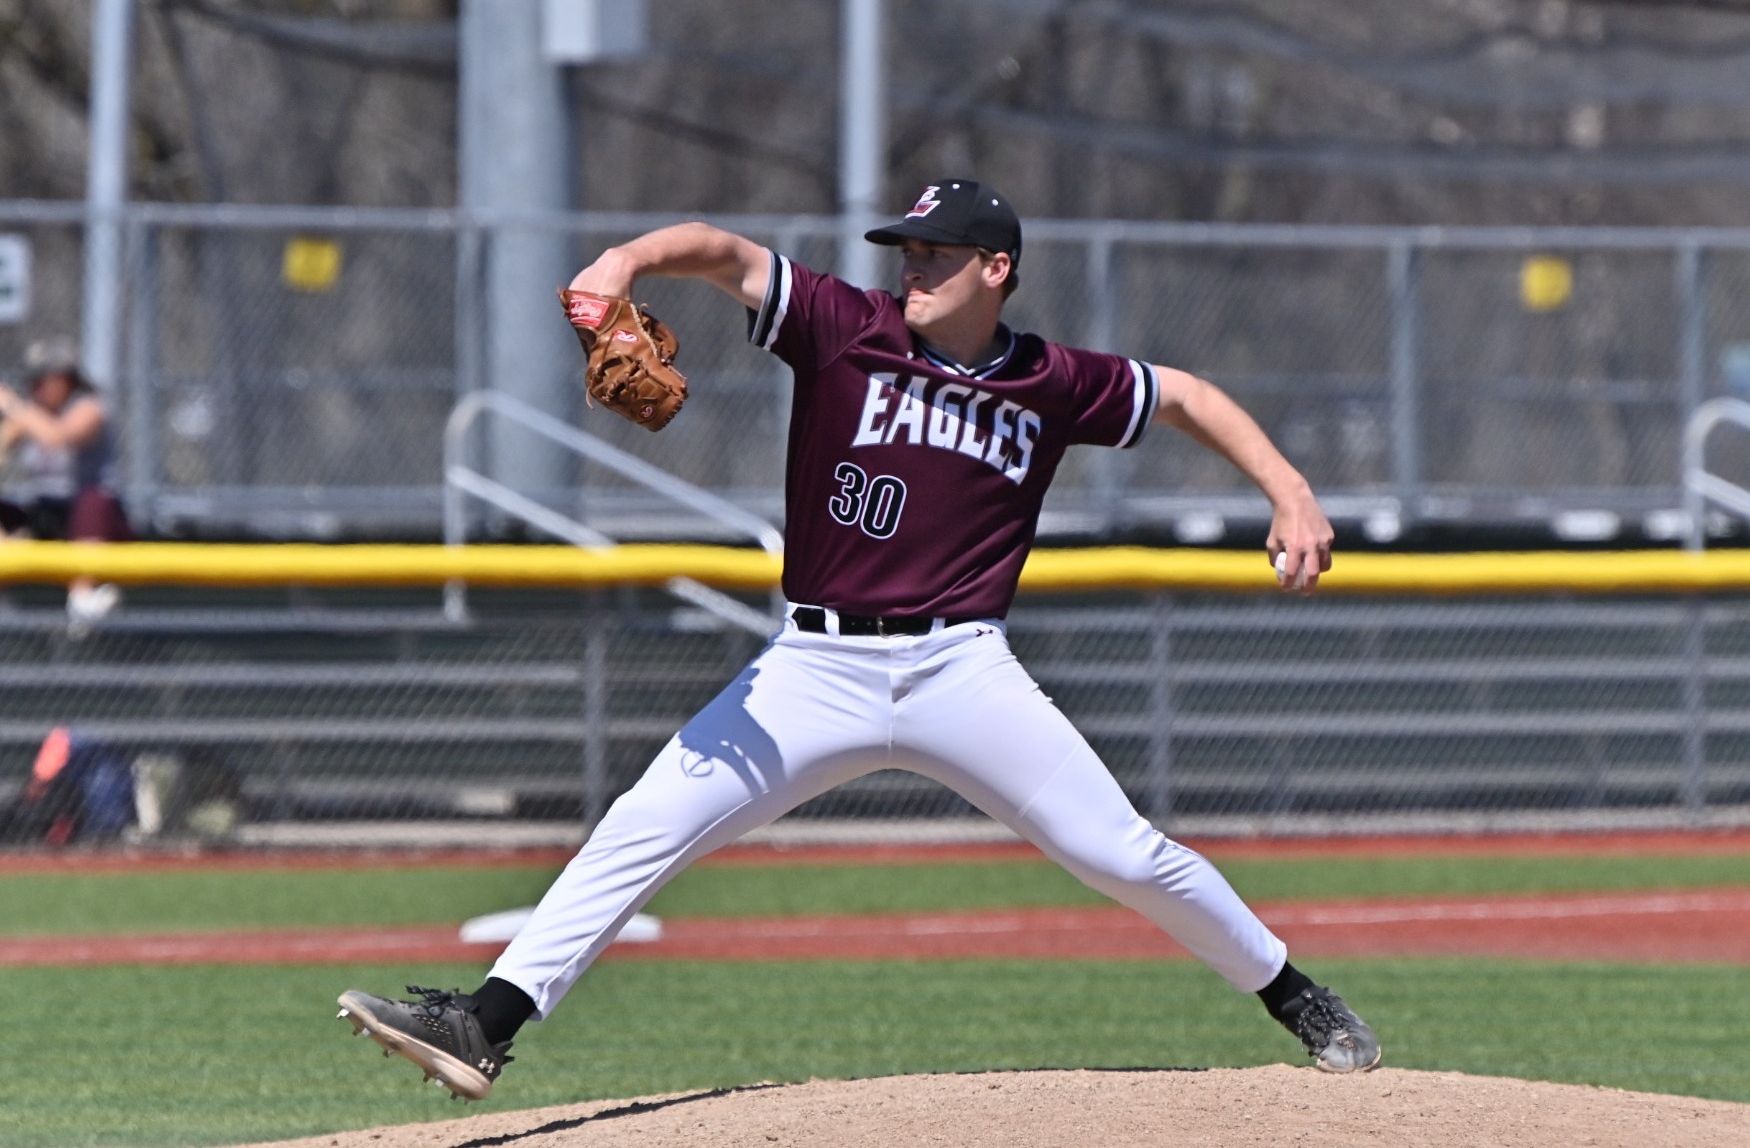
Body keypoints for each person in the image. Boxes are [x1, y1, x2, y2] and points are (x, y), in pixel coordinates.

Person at [336, 179, 1378, 1101]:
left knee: (1123, 853)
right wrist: (625, 262)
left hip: (960, 667)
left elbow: (1186, 393)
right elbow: (725, 252)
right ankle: (484, 1025)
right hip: (813, 666)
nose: (911, 267)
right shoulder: (844, 324)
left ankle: (1297, 996)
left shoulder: (1052, 381)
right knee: (643, 821)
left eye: (934, 252)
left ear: (995, 268)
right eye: (906, 250)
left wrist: (1287, 491)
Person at [0, 338, 131, 626]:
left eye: (43, 379)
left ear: (64, 379)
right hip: (45, 512)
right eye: (32, 380)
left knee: (92, 503)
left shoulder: (90, 408)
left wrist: (12, 405)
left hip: (93, 517)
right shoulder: (30, 414)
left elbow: (57, 437)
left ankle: (83, 596)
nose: (36, 388)